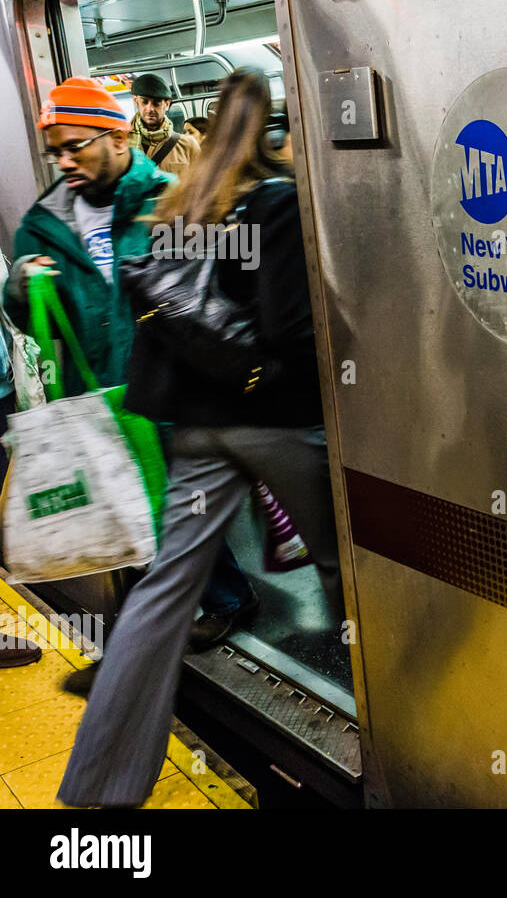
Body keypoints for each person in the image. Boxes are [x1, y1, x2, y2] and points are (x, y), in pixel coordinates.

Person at [58, 68, 342, 808]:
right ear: (271, 129)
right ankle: (384, 715)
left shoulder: (181, 204)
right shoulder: (275, 203)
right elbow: (287, 330)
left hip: (195, 431)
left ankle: (98, 792)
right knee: (346, 565)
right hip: (276, 426)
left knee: (163, 593)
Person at [1, 77, 256, 688]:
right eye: (56, 151)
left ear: (116, 136)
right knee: (141, 504)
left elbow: (220, 286)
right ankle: (177, 626)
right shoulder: (46, 223)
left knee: (174, 503)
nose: (65, 162)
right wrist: (19, 287)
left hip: (172, 387)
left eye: (76, 146)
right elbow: (21, 309)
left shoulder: (168, 198)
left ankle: (210, 611)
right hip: (100, 391)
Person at [127, 73, 201, 178]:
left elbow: (200, 181)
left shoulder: (187, 145)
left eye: (156, 103)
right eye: (144, 102)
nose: (150, 109)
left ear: (166, 105)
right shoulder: (123, 144)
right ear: (136, 102)